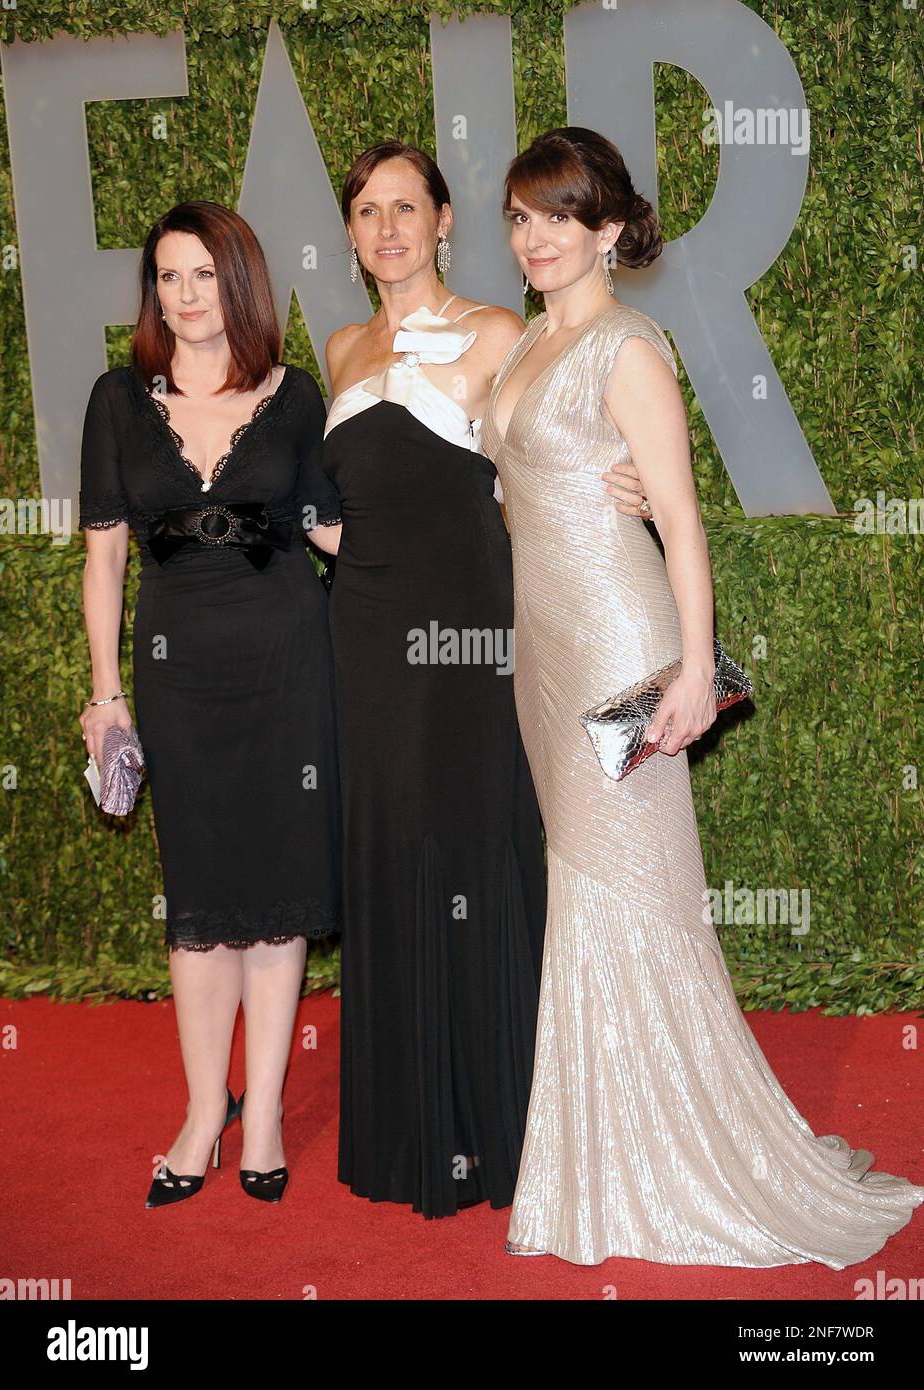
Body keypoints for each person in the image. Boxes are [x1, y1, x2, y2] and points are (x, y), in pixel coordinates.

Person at [480, 126, 924, 1266]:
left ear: (610, 229)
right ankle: (606, 1150)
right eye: (521, 218)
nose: (534, 238)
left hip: (625, 646)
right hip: (547, 647)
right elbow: (527, 492)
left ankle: (662, 1158)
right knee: (585, 886)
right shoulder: (530, 342)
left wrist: (692, 670)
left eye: (556, 218)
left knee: (627, 886)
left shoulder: (629, 346)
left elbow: (679, 518)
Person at [313, 140, 648, 1218]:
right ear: (352, 230)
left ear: (447, 221)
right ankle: (409, 1130)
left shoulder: (500, 332)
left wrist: (619, 476)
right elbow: (346, 505)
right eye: (367, 210)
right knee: (392, 846)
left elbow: (541, 442)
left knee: (474, 845)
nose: (388, 228)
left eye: (407, 207)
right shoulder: (338, 349)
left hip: (468, 644)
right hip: (363, 641)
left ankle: (498, 1127)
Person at [78, 201, 343, 1207]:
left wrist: (448, 546)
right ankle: (203, 1111)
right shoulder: (117, 399)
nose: (185, 296)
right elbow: (105, 554)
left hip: (288, 662)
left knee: (274, 905)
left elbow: (328, 528)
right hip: (174, 669)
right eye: (168, 277)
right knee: (199, 906)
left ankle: (265, 1112)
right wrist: (106, 693)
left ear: (240, 280)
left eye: (203, 275)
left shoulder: (297, 393)